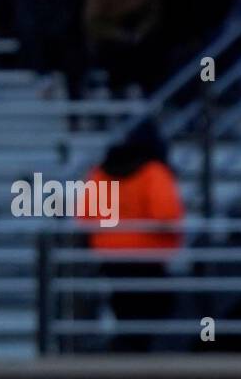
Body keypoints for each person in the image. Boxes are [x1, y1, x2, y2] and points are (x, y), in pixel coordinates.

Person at [78, 119, 184, 351]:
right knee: (160, 306)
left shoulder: (100, 172)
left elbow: (84, 216)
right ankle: (133, 356)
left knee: (125, 312)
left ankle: (126, 354)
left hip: (111, 258)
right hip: (148, 258)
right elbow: (166, 214)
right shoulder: (153, 173)